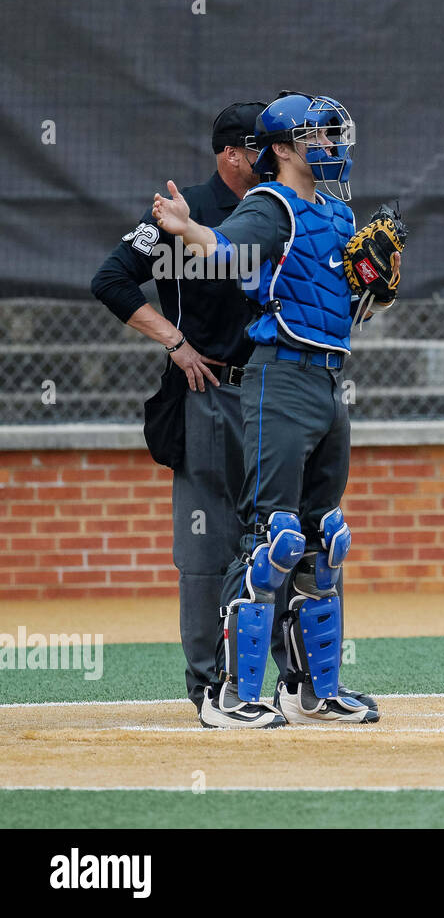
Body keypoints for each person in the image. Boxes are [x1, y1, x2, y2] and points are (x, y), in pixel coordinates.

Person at [152, 92, 394, 727]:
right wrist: (188, 229)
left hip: (327, 382)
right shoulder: (271, 204)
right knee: (274, 539)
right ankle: (229, 696)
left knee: (325, 539)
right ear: (283, 149)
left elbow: (344, 305)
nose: (332, 148)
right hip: (278, 380)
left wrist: (375, 290)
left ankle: (316, 690)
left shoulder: (338, 214)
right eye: (317, 138)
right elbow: (227, 253)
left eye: (333, 136)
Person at [91, 102, 266, 717]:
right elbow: (110, 280)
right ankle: (209, 687)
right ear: (229, 153)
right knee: (207, 546)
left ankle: (284, 683)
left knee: (279, 539)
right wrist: (174, 340)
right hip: (209, 391)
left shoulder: (279, 210)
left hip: (275, 393)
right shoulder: (178, 210)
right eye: (258, 144)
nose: (272, 153)